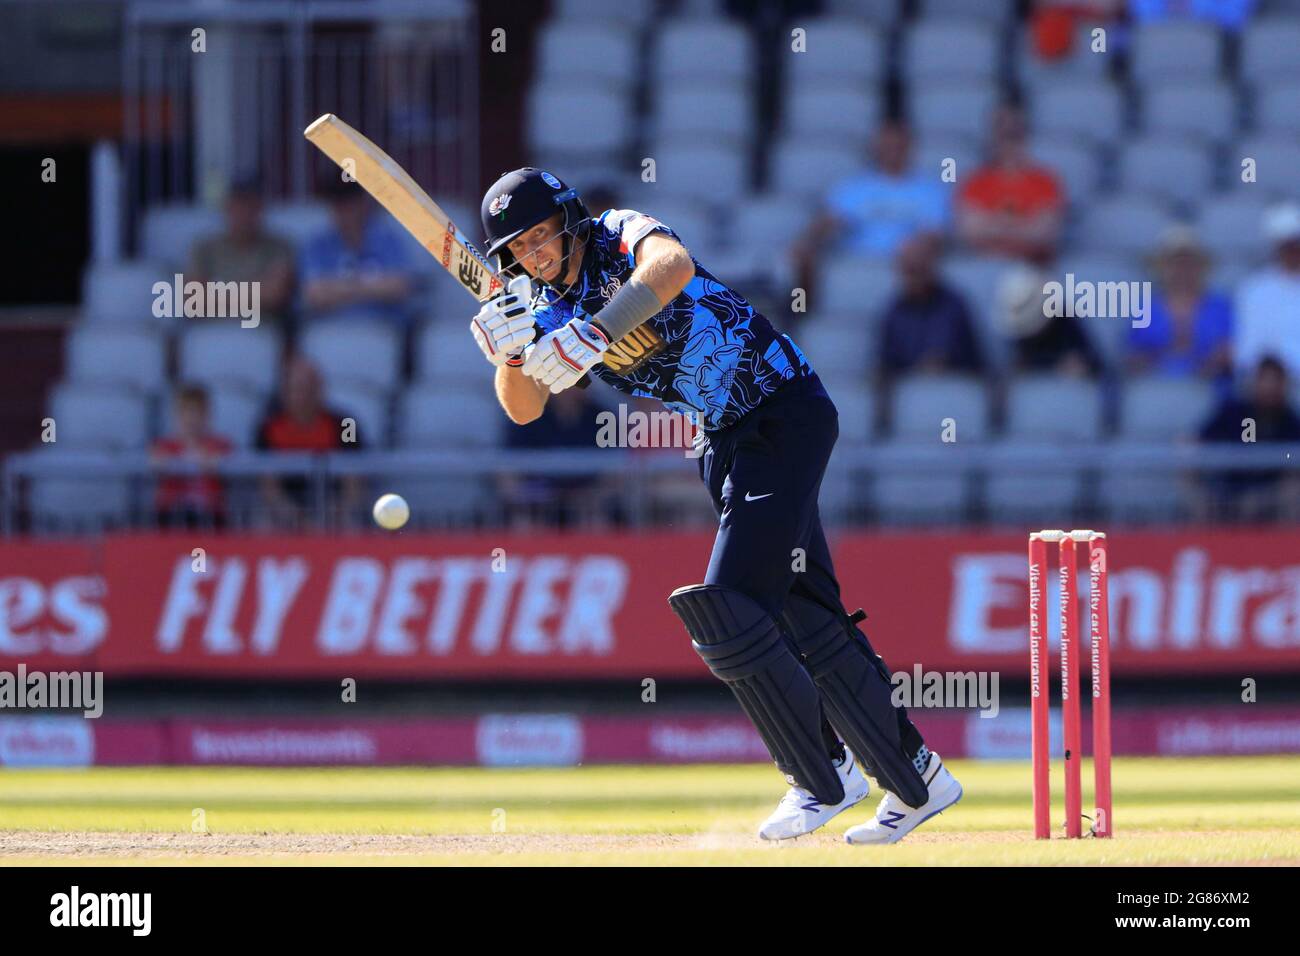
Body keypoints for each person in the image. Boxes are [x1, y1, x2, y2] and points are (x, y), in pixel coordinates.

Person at [468, 167, 962, 844]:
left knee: (727, 608)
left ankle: (822, 777)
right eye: (517, 250)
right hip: (724, 440)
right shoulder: (544, 310)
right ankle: (918, 778)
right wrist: (510, 355)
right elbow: (522, 412)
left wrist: (599, 330)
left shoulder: (617, 234)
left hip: (782, 408)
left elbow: (671, 267)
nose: (533, 256)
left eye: (539, 237)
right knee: (807, 615)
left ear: (568, 218)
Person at [792, 120, 948, 293]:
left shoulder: (931, 189)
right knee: (802, 252)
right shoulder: (852, 187)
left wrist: (913, 251)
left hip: (907, 266)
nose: (892, 151)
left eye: (898, 146)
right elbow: (827, 222)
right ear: (876, 148)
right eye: (886, 146)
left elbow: (934, 235)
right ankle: (800, 311)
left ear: (910, 148)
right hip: (853, 259)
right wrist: (813, 237)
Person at [255, 355, 364, 527]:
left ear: (320, 389)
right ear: (284, 391)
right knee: (263, 525)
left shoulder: (345, 424)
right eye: (297, 388)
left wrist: (336, 511)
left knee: (351, 526)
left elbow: (353, 484)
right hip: (286, 510)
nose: (303, 396)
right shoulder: (269, 427)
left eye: (309, 387)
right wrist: (294, 515)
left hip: (332, 508)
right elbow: (269, 487)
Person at [300, 176, 422, 327]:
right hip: (332, 329)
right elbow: (314, 295)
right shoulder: (317, 243)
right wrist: (370, 286)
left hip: (384, 330)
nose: (343, 210)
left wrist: (339, 288)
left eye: (349, 202)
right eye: (337, 203)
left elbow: (400, 287)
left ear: (363, 203)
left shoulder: (389, 239)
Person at [1193, 355, 1300, 522]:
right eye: (1265, 380)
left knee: (1293, 490)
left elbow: (1292, 459)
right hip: (1227, 489)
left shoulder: (1291, 420)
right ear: (1255, 381)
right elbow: (1199, 440)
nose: (1270, 387)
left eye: (1275, 381)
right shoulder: (1233, 412)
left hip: (1272, 496)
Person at [955, 105, 1065, 264]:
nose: (1009, 142)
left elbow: (1045, 233)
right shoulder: (975, 182)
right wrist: (1022, 226)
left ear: (1025, 137)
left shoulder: (1045, 181)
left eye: (1015, 134)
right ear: (993, 138)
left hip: (1032, 266)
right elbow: (970, 232)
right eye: (1003, 134)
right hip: (984, 263)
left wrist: (994, 226)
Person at [1127, 225, 1233, 389]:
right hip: (1156, 389)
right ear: (1162, 268)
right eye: (1174, 263)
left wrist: (1210, 365)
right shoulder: (1143, 308)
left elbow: (1229, 351)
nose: (1182, 270)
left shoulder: (1220, 307)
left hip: (1211, 390)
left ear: (1200, 267)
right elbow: (1132, 356)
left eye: (1188, 263)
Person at [188, 176, 295, 326]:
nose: (244, 213)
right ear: (226, 208)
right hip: (213, 330)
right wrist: (256, 290)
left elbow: (275, 294)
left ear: (260, 209)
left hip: (263, 330)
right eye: (238, 206)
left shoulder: (278, 247)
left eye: (251, 206)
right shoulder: (205, 248)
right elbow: (193, 299)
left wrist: (216, 291)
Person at [878, 232, 986, 380]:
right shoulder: (894, 311)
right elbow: (885, 364)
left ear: (931, 266)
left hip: (952, 387)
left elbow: (968, 359)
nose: (914, 277)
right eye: (909, 270)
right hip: (908, 390)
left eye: (919, 269)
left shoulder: (954, 305)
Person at [150, 384, 233, 528]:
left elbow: (227, 460)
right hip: (173, 515)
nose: (192, 419)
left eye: (197, 413)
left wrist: (214, 461)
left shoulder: (219, 445)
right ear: (177, 416)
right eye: (187, 412)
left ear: (207, 416)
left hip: (209, 516)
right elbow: (154, 461)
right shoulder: (165, 446)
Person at [1234, 203, 1300, 380]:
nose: (1294, 251)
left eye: (1297, 243)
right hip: (1269, 386)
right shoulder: (1254, 290)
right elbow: (1247, 352)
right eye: (1288, 245)